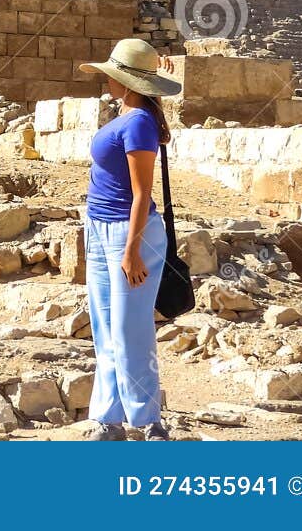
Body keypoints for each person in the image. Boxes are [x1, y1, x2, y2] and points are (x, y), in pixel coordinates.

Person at [76, 38, 181, 439]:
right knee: (104, 326)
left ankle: (148, 423)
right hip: (101, 228)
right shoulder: (129, 112)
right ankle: (108, 419)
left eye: (113, 75)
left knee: (128, 328)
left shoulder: (138, 122)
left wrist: (132, 250)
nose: (106, 81)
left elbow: (142, 193)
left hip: (128, 232)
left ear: (127, 80)